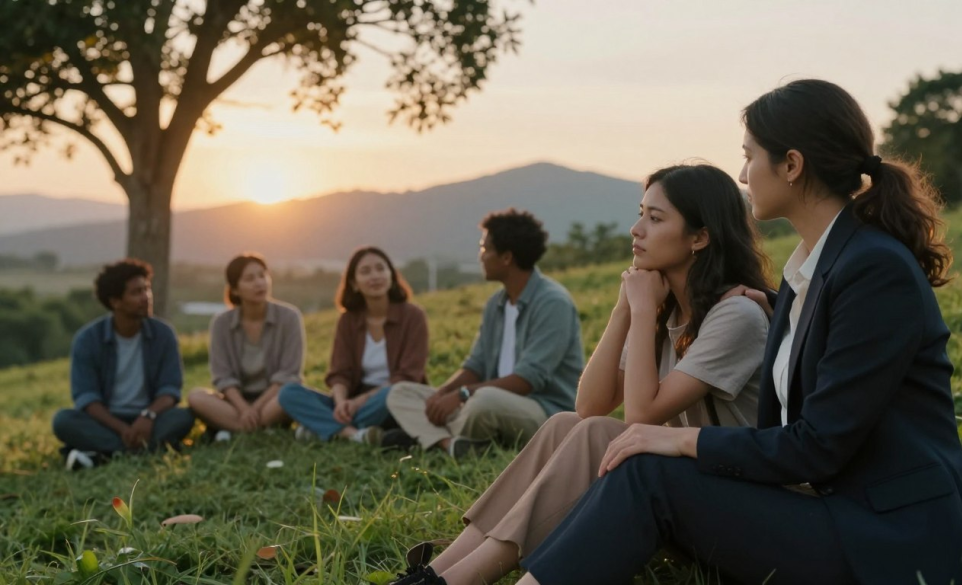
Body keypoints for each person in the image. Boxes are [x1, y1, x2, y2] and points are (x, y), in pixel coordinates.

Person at [512, 80, 962, 585]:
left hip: (888, 541)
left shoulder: (875, 270)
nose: (743, 175)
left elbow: (818, 446)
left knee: (648, 469)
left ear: (791, 165)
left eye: (750, 157)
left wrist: (683, 442)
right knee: (640, 467)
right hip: (830, 513)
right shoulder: (807, 277)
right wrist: (779, 309)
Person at [388, 163, 774, 585]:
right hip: (685, 489)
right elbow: (589, 405)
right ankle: (432, 574)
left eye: (655, 218)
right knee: (565, 425)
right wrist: (624, 309)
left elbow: (639, 417)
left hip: (743, 509)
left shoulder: (735, 314)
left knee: (595, 434)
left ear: (700, 237)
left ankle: (455, 583)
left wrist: (642, 311)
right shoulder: (662, 310)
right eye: (640, 213)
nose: (636, 229)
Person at [384, 208, 584, 458]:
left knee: (484, 402)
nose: (481, 256)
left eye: (485, 248)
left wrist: (463, 395)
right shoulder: (495, 304)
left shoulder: (553, 303)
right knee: (401, 393)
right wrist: (441, 395)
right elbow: (475, 365)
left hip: (542, 410)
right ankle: (451, 444)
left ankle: (428, 436)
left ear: (506, 258)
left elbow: (528, 379)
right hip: (485, 400)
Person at [52, 259, 194, 470]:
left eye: (147, 289)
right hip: (107, 420)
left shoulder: (163, 334)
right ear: (115, 301)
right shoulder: (88, 339)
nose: (146, 297)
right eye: (136, 292)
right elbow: (87, 397)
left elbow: (170, 389)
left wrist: (148, 416)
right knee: (63, 421)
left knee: (184, 417)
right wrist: (122, 429)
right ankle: (145, 448)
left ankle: (101, 453)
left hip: (151, 417)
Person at [278, 246, 428, 443]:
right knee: (289, 393)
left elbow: (408, 376)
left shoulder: (413, 316)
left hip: (393, 397)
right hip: (353, 399)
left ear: (391, 275)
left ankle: (323, 429)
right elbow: (340, 372)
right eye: (365, 272)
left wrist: (359, 402)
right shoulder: (348, 320)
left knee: (391, 394)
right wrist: (341, 403)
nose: (375, 276)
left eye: (380, 269)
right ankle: (353, 434)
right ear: (354, 283)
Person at [188, 254, 305, 439]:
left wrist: (255, 409)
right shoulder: (221, 323)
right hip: (235, 403)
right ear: (235, 290)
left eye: (262, 276)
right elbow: (223, 377)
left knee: (292, 394)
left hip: (273, 400)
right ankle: (258, 428)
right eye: (249, 279)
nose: (259, 283)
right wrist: (244, 409)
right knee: (195, 397)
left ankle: (230, 428)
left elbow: (288, 375)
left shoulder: (289, 317)